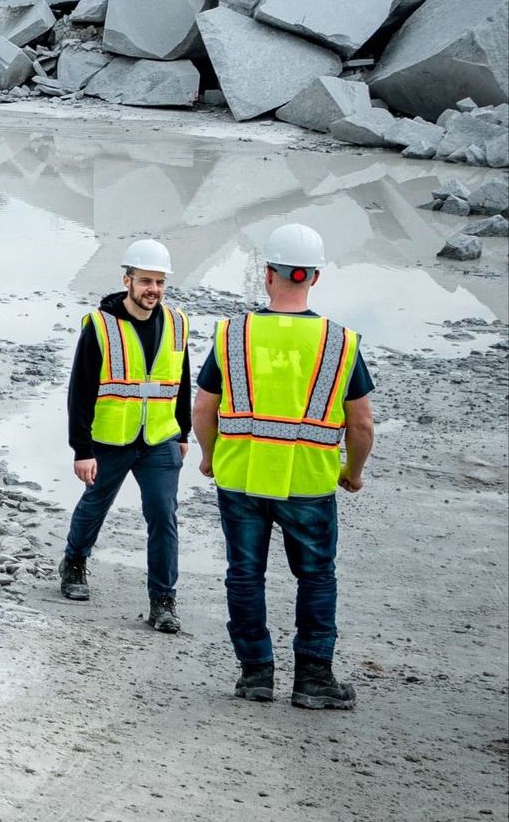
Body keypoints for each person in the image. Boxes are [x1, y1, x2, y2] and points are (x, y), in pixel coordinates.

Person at [192, 223, 374, 710]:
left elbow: (203, 409)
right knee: (316, 577)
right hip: (310, 484)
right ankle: (313, 679)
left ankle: (256, 675)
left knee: (244, 575)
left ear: (267, 274)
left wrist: (210, 457)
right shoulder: (339, 342)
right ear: (315, 277)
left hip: (241, 477)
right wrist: (352, 473)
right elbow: (361, 427)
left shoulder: (233, 335)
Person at [58, 238, 191, 634]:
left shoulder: (178, 323)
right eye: (146, 281)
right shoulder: (100, 326)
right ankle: (75, 563)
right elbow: (79, 391)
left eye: (160, 282)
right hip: (111, 439)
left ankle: (163, 601)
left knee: (163, 516)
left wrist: (182, 431)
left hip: (161, 440)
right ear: (127, 280)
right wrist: (82, 449)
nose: (154, 290)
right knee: (95, 504)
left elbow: (181, 380)